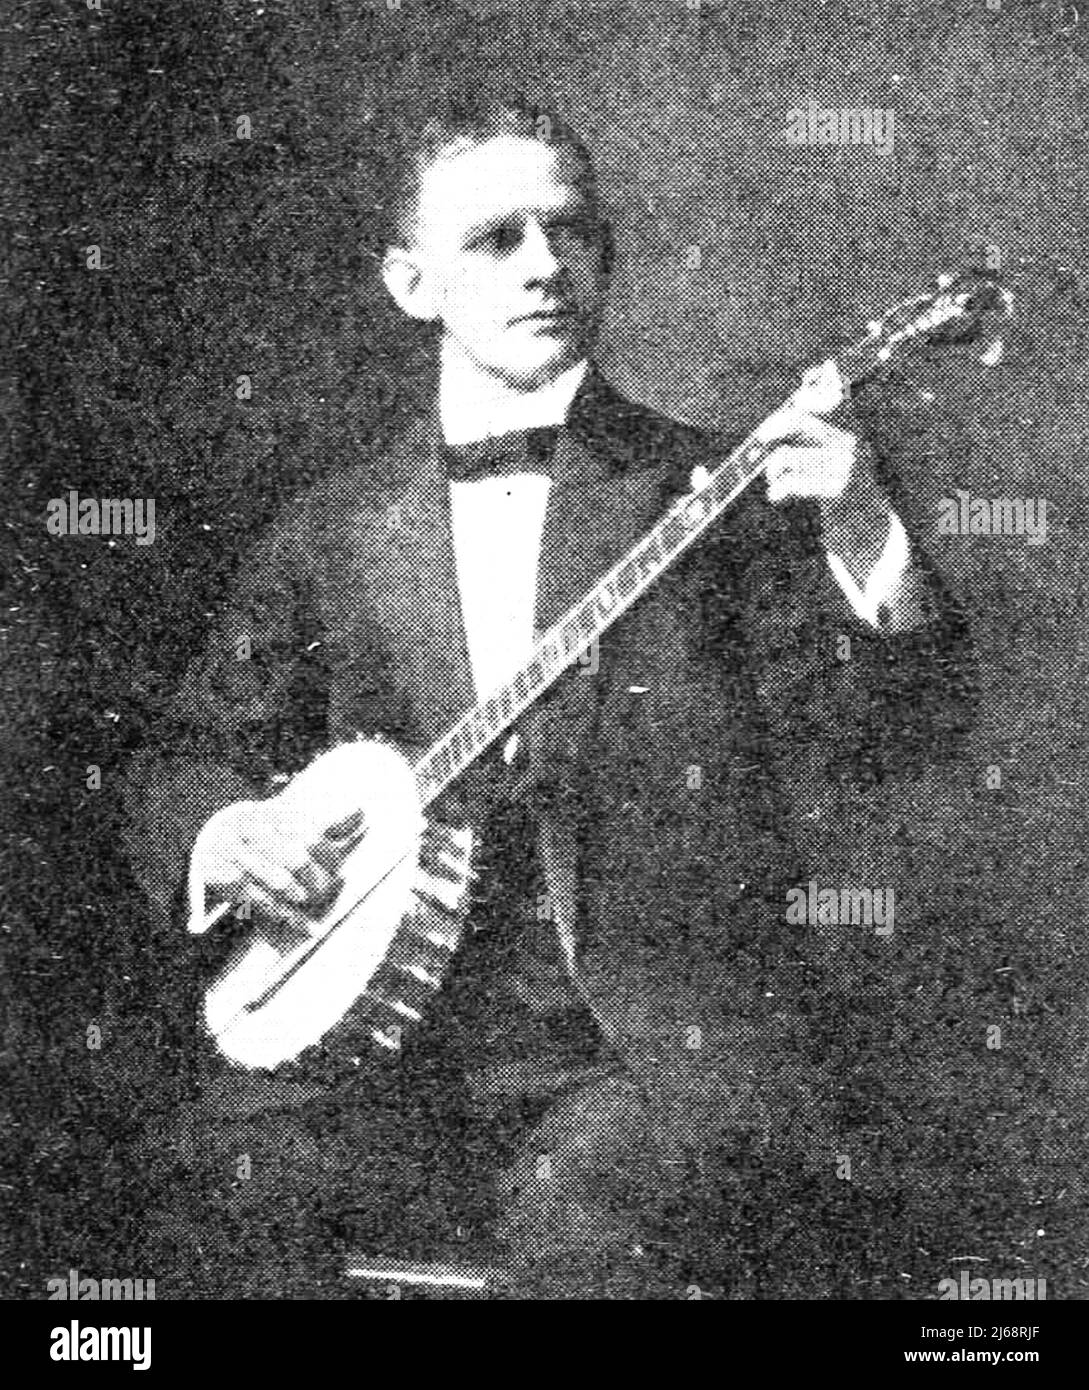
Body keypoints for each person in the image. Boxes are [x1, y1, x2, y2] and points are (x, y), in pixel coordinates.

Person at [124, 88, 976, 1298]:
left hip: (647, 1049)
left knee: (586, 1226)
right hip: (381, 1050)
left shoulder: (715, 492)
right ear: (411, 284)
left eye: (568, 230)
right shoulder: (337, 531)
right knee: (208, 1187)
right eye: (494, 238)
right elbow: (184, 756)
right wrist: (229, 832)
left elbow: (895, 738)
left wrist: (862, 521)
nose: (543, 266)